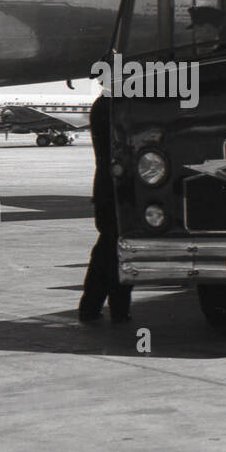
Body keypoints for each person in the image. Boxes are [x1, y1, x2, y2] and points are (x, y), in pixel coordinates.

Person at [78, 92, 131, 323]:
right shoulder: (116, 106)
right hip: (119, 188)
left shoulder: (104, 104)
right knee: (116, 249)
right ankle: (113, 308)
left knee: (108, 248)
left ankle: (95, 306)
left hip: (106, 188)